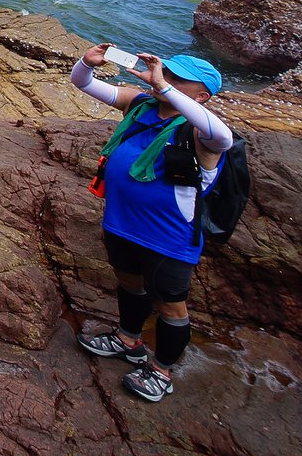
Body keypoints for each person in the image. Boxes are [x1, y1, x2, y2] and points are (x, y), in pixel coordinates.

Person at [70, 45, 233, 402]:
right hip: (122, 222)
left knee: (171, 306)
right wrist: (87, 62)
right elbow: (81, 83)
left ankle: (162, 371)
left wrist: (165, 87)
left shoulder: (200, 133)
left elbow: (224, 137)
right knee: (130, 283)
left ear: (201, 96)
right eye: (166, 72)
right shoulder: (139, 104)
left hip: (168, 237)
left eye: (177, 79)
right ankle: (128, 340)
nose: (165, 80)